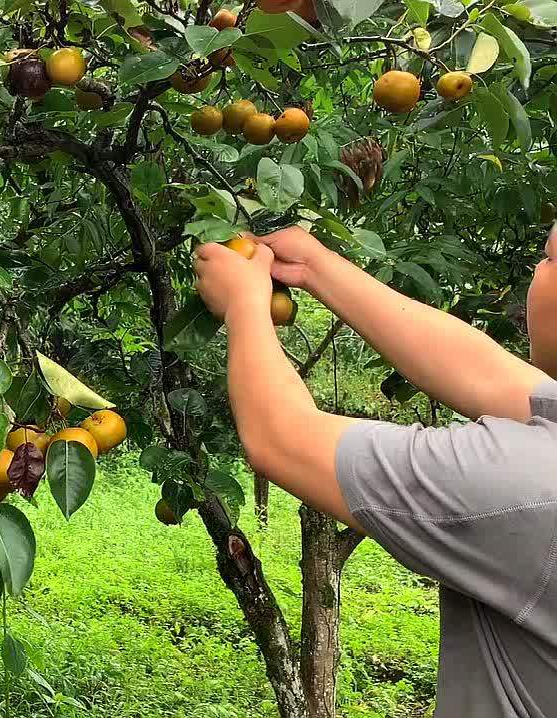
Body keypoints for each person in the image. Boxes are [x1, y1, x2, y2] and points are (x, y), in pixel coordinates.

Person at [194, 224, 557, 716]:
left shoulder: (527, 486)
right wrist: (316, 268)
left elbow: (281, 438)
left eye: (550, 257)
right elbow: (483, 371)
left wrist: (242, 307)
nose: (538, 268)